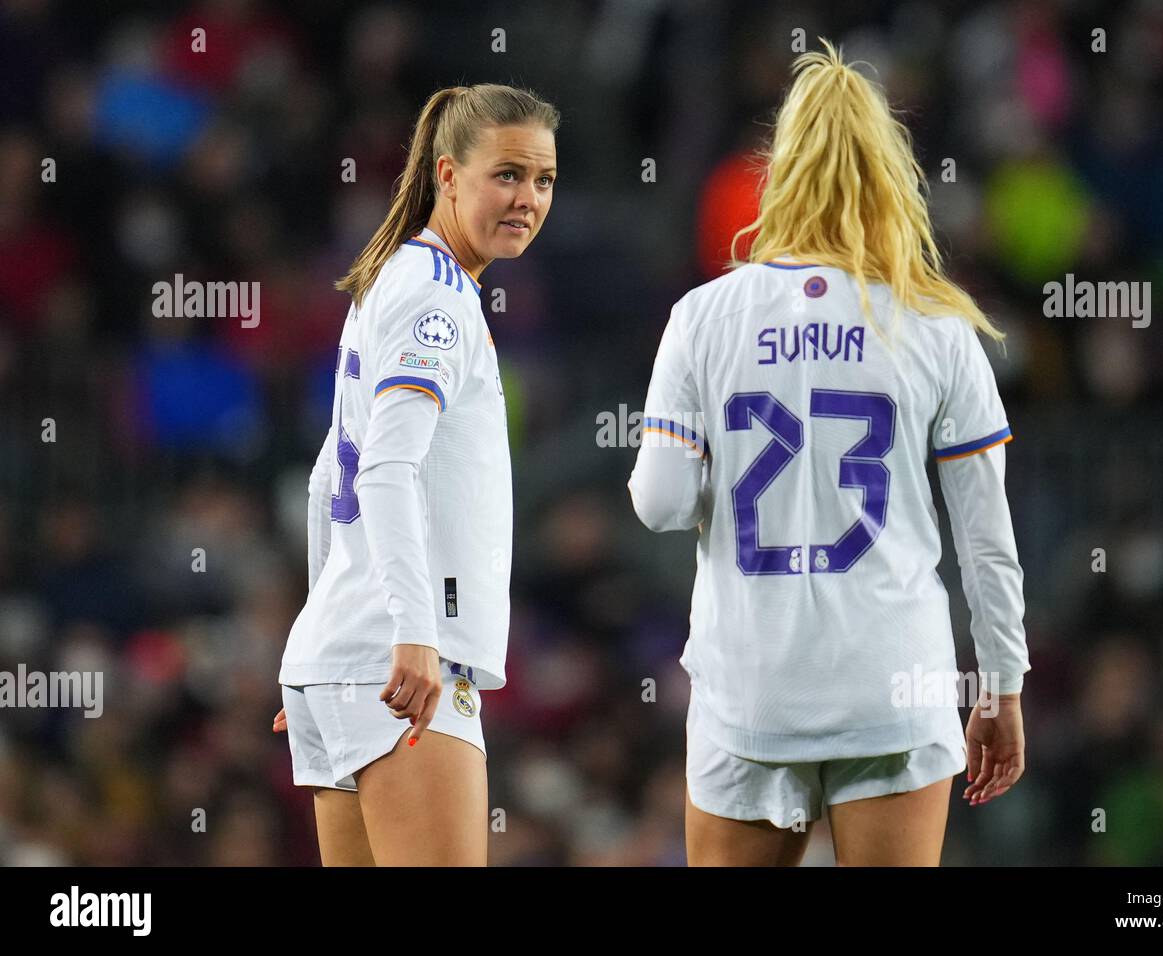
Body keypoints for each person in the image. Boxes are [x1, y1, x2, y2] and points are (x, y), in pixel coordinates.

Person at [628, 40, 1028, 866]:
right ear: (890, 175)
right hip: (895, 685)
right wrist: (1002, 683)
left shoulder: (703, 317)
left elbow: (661, 503)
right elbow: (986, 536)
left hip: (752, 687)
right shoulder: (937, 326)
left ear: (777, 170)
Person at [271, 83, 558, 866]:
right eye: (507, 174)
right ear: (448, 175)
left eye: (544, 180)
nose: (527, 198)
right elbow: (383, 469)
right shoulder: (437, 299)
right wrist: (410, 633)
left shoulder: (395, 282)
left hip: (350, 659)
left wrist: (327, 631)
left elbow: (328, 474)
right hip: (398, 664)